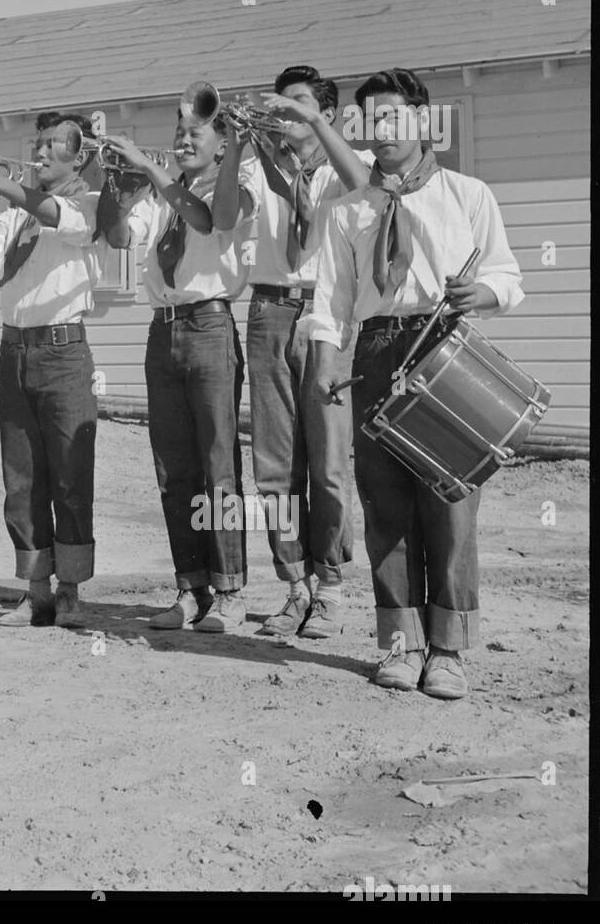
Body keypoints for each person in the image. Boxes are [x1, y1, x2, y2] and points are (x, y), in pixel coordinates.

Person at [306, 68, 524, 699]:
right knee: (386, 501)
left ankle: (448, 649)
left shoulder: (469, 195)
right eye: (372, 121)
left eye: (394, 118)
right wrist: (327, 360)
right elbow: (332, 296)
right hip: (376, 351)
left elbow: (509, 275)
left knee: (450, 502)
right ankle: (401, 643)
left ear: (424, 121)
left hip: (446, 349)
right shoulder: (348, 209)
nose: (382, 132)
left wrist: (482, 291)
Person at [101, 103, 257, 633]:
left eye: (196, 133)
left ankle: (230, 588)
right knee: (173, 470)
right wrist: (117, 190)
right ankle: (191, 588)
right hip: (162, 328)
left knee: (219, 466)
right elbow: (121, 238)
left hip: (210, 325)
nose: (184, 140)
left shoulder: (233, 184)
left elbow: (208, 219)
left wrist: (150, 169)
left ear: (221, 145)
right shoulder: (158, 193)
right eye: (179, 133)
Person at [0, 113, 101, 629]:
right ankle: (35, 589)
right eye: (35, 145)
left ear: (78, 156)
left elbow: (61, 217)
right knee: (22, 477)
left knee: (69, 473)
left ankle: (71, 591)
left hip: (63, 351)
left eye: (50, 147)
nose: (38, 154)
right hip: (14, 350)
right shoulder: (16, 209)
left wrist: (2, 183)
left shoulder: (89, 200)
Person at [239, 67, 371, 640]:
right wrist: (242, 138)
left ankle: (332, 586)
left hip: (327, 313)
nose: (285, 113)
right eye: (281, 103)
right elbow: (221, 215)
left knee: (330, 461)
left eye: (299, 105)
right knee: (274, 463)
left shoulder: (348, 160)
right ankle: (295, 585)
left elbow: (365, 184)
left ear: (327, 114)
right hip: (268, 309)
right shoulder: (254, 165)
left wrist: (312, 125)